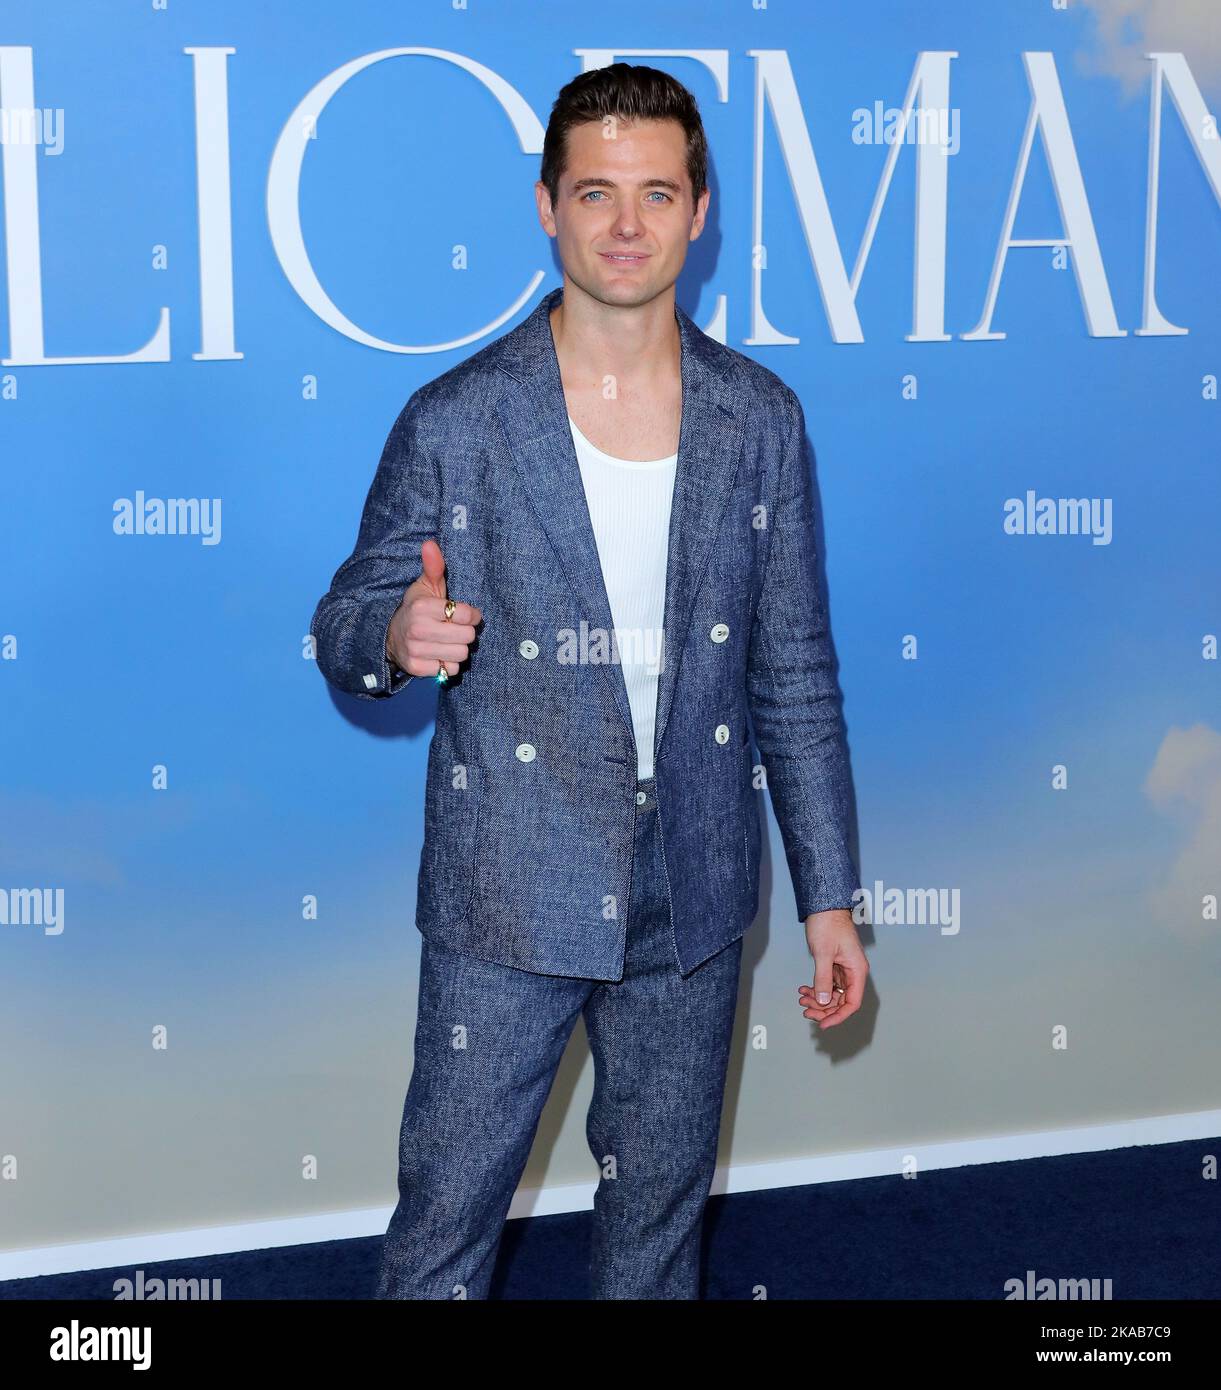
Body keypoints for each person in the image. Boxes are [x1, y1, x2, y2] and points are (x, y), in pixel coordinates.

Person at [310, 61, 868, 1301]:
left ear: (699, 212)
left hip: (697, 887)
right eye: (596, 193)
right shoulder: (458, 418)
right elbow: (344, 615)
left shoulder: (761, 419)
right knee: (444, 1227)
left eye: (657, 193)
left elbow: (793, 669)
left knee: (658, 1229)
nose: (626, 224)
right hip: (510, 886)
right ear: (547, 207)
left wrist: (828, 894)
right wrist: (394, 631)